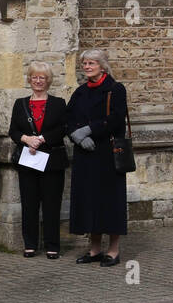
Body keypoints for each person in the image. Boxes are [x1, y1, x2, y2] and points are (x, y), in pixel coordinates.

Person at [66, 49, 129, 266]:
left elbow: (116, 119)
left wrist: (90, 130)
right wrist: (77, 135)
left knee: (110, 201)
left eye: (91, 63)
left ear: (102, 66)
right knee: (89, 201)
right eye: (84, 63)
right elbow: (69, 117)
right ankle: (94, 249)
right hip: (86, 154)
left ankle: (113, 250)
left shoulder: (115, 89)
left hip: (108, 154)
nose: (87, 67)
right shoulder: (81, 92)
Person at [8, 61, 68, 259]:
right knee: (29, 204)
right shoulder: (20, 104)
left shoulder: (58, 103)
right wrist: (27, 139)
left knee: (52, 205)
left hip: (52, 161)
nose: (38, 81)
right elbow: (13, 130)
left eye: (42, 77)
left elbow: (63, 128)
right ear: (29, 79)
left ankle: (52, 245)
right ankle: (30, 244)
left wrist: (42, 139)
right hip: (28, 160)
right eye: (35, 77)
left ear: (48, 80)